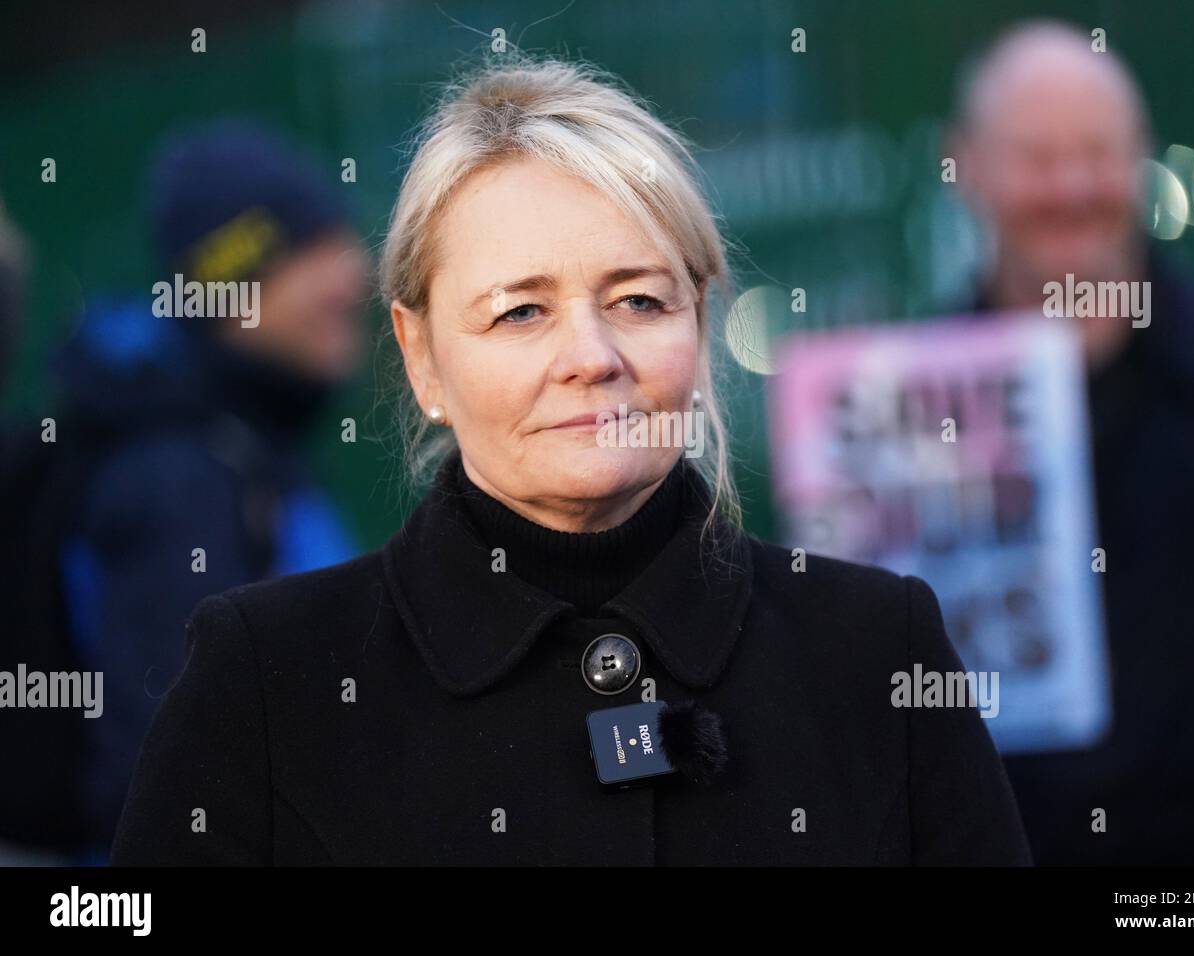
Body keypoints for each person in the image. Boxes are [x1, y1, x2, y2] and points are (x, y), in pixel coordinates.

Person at [110, 57, 1031, 866]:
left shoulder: (878, 649)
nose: (591, 355)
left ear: (701, 323)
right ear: (422, 354)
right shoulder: (265, 684)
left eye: (637, 300)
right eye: (521, 312)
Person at [948, 21, 1194, 864]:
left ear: (1141, 161)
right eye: (1036, 157)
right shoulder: (896, 404)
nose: (1072, 186)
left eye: (1098, 152)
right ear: (965, 168)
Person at [53, 121, 367, 860]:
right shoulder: (178, 479)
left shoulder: (244, 440)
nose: (351, 274)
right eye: (311, 252)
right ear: (232, 287)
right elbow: (166, 787)